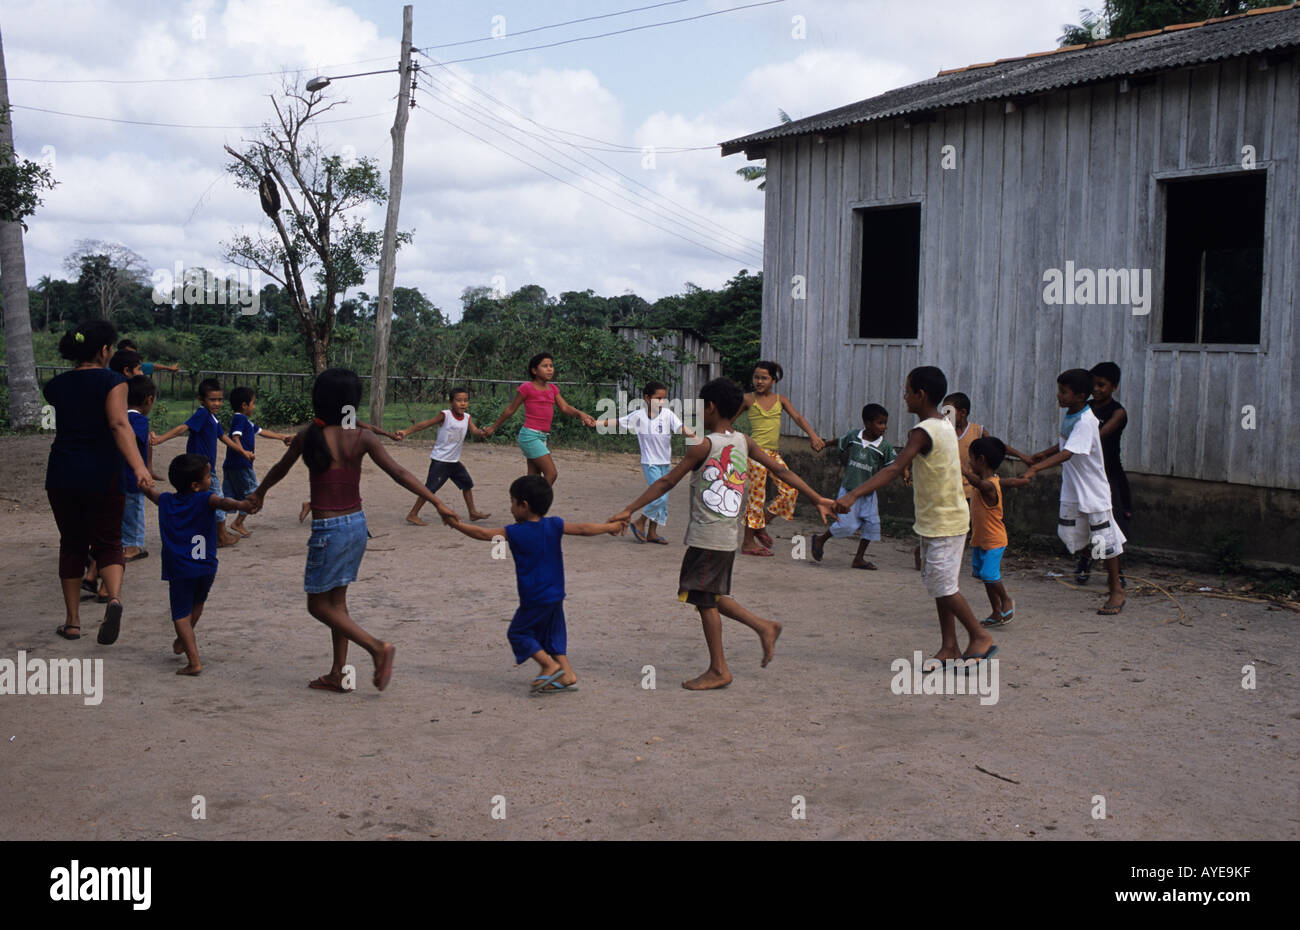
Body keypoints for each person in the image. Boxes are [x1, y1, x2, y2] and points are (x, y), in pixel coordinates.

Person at [609, 377, 836, 690]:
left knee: (704, 598)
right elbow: (781, 471)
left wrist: (629, 509)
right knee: (707, 593)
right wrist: (817, 497)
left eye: (701, 406)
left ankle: (719, 669)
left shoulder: (704, 445)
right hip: (726, 536)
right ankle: (763, 626)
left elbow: (666, 483)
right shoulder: (745, 441)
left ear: (711, 407)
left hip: (709, 537)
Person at [248, 368, 459, 693]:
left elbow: (279, 469)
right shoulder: (362, 437)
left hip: (329, 529)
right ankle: (338, 674)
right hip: (357, 526)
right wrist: (437, 502)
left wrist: (259, 493)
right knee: (337, 605)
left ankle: (377, 648)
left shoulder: (309, 436)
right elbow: (400, 473)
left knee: (317, 605)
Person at [836, 366, 997, 669]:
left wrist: (853, 495)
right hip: (938, 518)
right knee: (939, 582)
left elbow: (895, 468)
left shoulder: (923, 432)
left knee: (943, 585)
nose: (904, 396)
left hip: (945, 520)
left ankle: (979, 635)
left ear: (920, 395)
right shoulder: (943, 425)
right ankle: (949, 646)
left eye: (907, 390)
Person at [442, 475, 625, 693]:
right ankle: (567, 674)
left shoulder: (515, 532)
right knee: (552, 635)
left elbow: (483, 534)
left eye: (512, 502)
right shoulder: (554, 524)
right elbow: (584, 529)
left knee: (518, 633)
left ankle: (548, 665)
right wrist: (609, 526)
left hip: (534, 597)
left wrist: (456, 524)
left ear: (524, 505)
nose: (510, 507)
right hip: (556, 594)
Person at [44, 321, 154, 644]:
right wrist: (139, 468)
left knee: (72, 544)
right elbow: (120, 425)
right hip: (103, 472)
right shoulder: (114, 382)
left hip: (62, 473)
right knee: (108, 541)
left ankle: (73, 622)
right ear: (105, 351)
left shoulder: (55, 386)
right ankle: (115, 599)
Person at [138, 453, 256, 675]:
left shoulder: (167, 501)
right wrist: (242, 504)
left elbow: (153, 495)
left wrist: (144, 486)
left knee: (180, 614)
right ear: (195, 485)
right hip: (206, 566)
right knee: (198, 602)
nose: (210, 479)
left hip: (180, 569)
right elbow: (224, 502)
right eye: (207, 476)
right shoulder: (206, 499)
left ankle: (194, 662)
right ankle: (184, 640)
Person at [1025, 369, 1126, 615]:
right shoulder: (1072, 414)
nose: (1059, 396)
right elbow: (1066, 444)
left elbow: (1069, 452)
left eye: (1063, 392)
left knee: (1104, 541)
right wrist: (1045, 453)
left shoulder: (1086, 420)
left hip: (1092, 489)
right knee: (1070, 533)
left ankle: (1116, 589)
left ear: (1080, 395)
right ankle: (1092, 560)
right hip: (1073, 486)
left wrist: (1036, 468)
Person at [735, 361, 826, 556]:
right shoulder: (747, 399)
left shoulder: (780, 400)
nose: (759, 381)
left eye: (764, 378)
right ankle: (748, 543)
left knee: (790, 490)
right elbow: (729, 421)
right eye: (756, 377)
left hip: (773, 454)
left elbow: (798, 418)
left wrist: (813, 435)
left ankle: (760, 525)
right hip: (754, 454)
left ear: (773, 380)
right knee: (756, 498)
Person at [589, 380, 696, 544]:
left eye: (664, 399)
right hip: (650, 463)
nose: (662, 402)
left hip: (665, 463)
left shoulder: (668, 415)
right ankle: (640, 522)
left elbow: (682, 428)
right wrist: (596, 423)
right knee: (660, 497)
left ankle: (652, 532)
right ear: (647, 398)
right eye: (658, 398)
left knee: (663, 498)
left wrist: (697, 438)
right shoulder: (638, 416)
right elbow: (618, 421)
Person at [152, 379, 252, 548]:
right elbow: (183, 428)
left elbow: (224, 437)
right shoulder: (202, 414)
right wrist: (161, 439)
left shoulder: (213, 418)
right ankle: (221, 536)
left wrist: (243, 452)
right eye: (213, 400)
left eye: (220, 399)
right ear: (201, 400)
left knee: (198, 500)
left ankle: (206, 532)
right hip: (201, 469)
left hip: (204, 468)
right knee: (218, 499)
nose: (217, 403)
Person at [481, 352, 595, 484]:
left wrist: (581, 414)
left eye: (551, 365)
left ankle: (524, 502)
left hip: (542, 437)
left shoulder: (553, 389)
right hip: (530, 436)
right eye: (545, 366)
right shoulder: (527, 388)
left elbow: (565, 407)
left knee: (533, 478)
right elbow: (510, 410)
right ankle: (538, 501)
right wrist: (492, 428)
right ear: (534, 370)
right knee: (551, 474)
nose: (549, 368)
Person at [811, 403, 894, 569]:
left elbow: (894, 464)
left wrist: (905, 472)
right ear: (867, 423)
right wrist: (824, 444)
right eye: (880, 423)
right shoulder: (854, 437)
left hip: (869, 493)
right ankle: (820, 539)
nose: (883, 427)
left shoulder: (885, 446)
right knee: (846, 525)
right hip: (849, 490)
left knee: (871, 525)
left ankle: (859, 558)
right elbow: (839, 441)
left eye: (885, 423)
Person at [961, 436, 1032, 627]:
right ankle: (996, 612)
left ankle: (1006, 600)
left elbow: (981, 485)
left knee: (989, 574)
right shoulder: (995, 481)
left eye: (971, 458)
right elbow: (1006, 482)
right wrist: (1020, 481)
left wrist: (964, 472)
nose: (969, 461)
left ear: (981, 460)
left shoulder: (988, 485)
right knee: (985, 577)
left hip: (994, 541)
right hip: (980, 539)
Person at [394, 387, 491, 526]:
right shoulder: (445, 415)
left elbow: (474, 430)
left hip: (454, 462)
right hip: (441, 461)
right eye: (458, 400)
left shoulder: (467, 417)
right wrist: (406, 431)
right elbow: (424, 425)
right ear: (451, 402)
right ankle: (413, 514)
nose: (463, 403)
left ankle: (472, 513)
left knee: (467, 484)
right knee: (429, 490)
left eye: (465, 400)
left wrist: (482, 432)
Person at [223, 387, 294, 538]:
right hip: (241, 465)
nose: (254, 407)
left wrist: (282, 437)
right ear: (244, 405)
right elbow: (235, 438)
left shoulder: (245, 421)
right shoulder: (240, 419)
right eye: (253, 403)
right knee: (254, 494)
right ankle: (238, 522)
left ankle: (219, 526)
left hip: (232, 465)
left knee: (228, 496)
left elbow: (261, 431)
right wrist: (245, 453)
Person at [1088, 361, 1131, 587]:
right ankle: (1088, 561)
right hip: (1088, 475)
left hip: (1110, 475)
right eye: (1093, 384)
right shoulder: (1085, 408)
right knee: (1089, 521)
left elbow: (1096, 436)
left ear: (1113, 387)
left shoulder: (1117, 413)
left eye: (1101, 385)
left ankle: (1116, 571)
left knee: (1114, 523)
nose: (1096, 389)